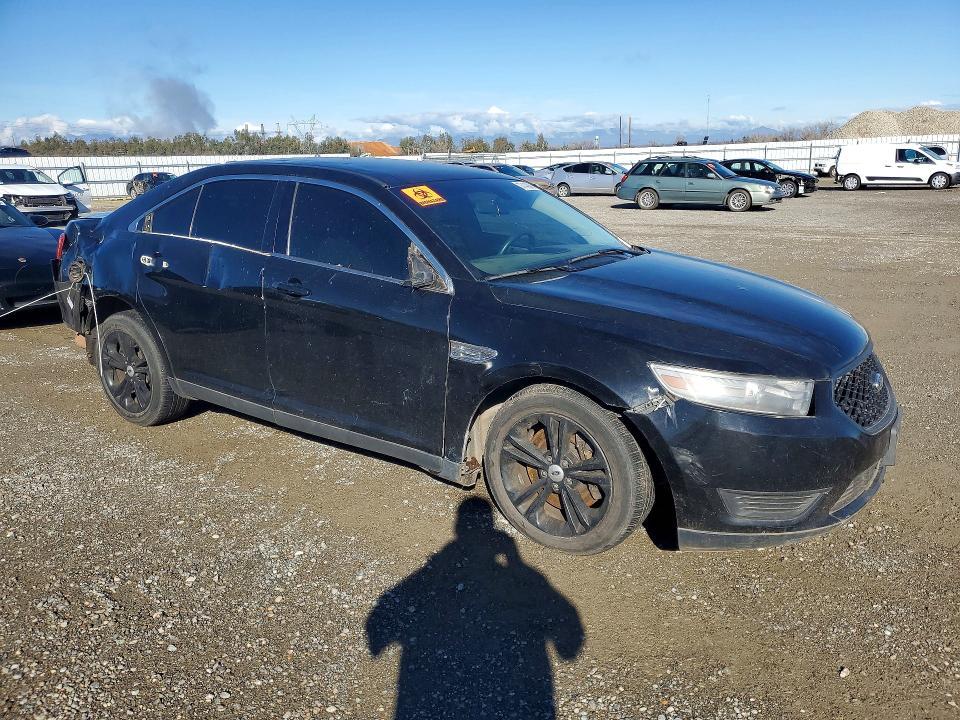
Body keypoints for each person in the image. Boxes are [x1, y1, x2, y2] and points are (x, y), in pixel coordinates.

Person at [366, 497, 584, 719]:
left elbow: (384, 614)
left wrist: (379, 637)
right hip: (513, 688)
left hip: (439, 687)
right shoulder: (529, 579)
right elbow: (565, 624)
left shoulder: (440, 567)